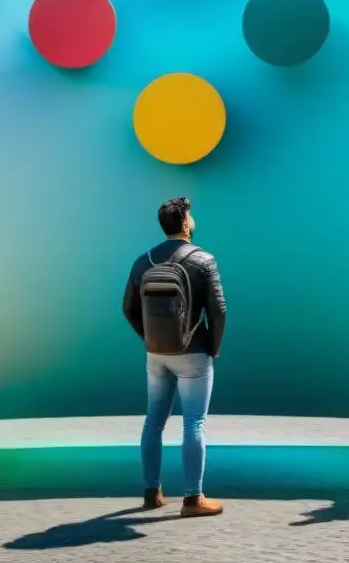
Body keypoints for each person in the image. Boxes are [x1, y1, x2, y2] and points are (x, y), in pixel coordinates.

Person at [122, 196, 227, 517]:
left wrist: (150, 339)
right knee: (194, 422)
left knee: (154, 420)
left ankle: (152, 492)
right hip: (193, 352)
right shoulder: (203, 260)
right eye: (190, 216)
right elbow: (219, 310)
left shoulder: (143, 261)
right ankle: (193, 499)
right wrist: (214, 345)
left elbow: (128, 308)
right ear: (184, 224)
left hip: (156, 355)